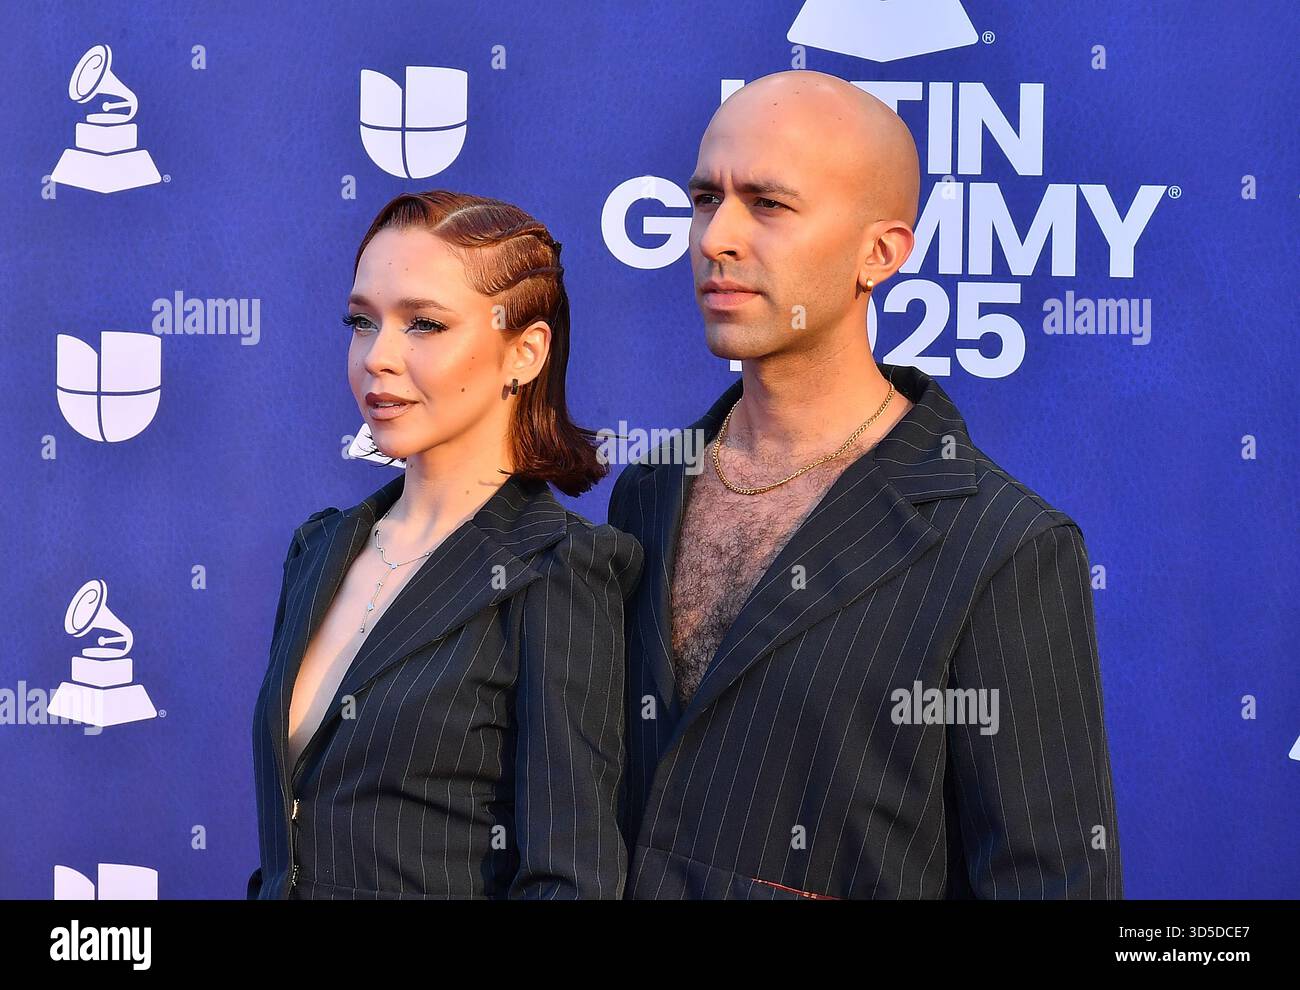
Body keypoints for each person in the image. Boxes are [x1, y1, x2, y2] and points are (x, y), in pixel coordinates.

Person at [608, 70, 1123, 898]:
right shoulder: (648, 492)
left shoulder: (1001, 547)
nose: (716, 237)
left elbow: (1054, 882)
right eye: (707, 199)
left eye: (768, 205)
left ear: (879, 253)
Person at [248, 190, 642, 899]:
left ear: (524, 351)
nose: (378, 358)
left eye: (424, 324)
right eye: (361, 322)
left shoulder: (559, 570)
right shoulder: (322, 548)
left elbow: (572, 879)